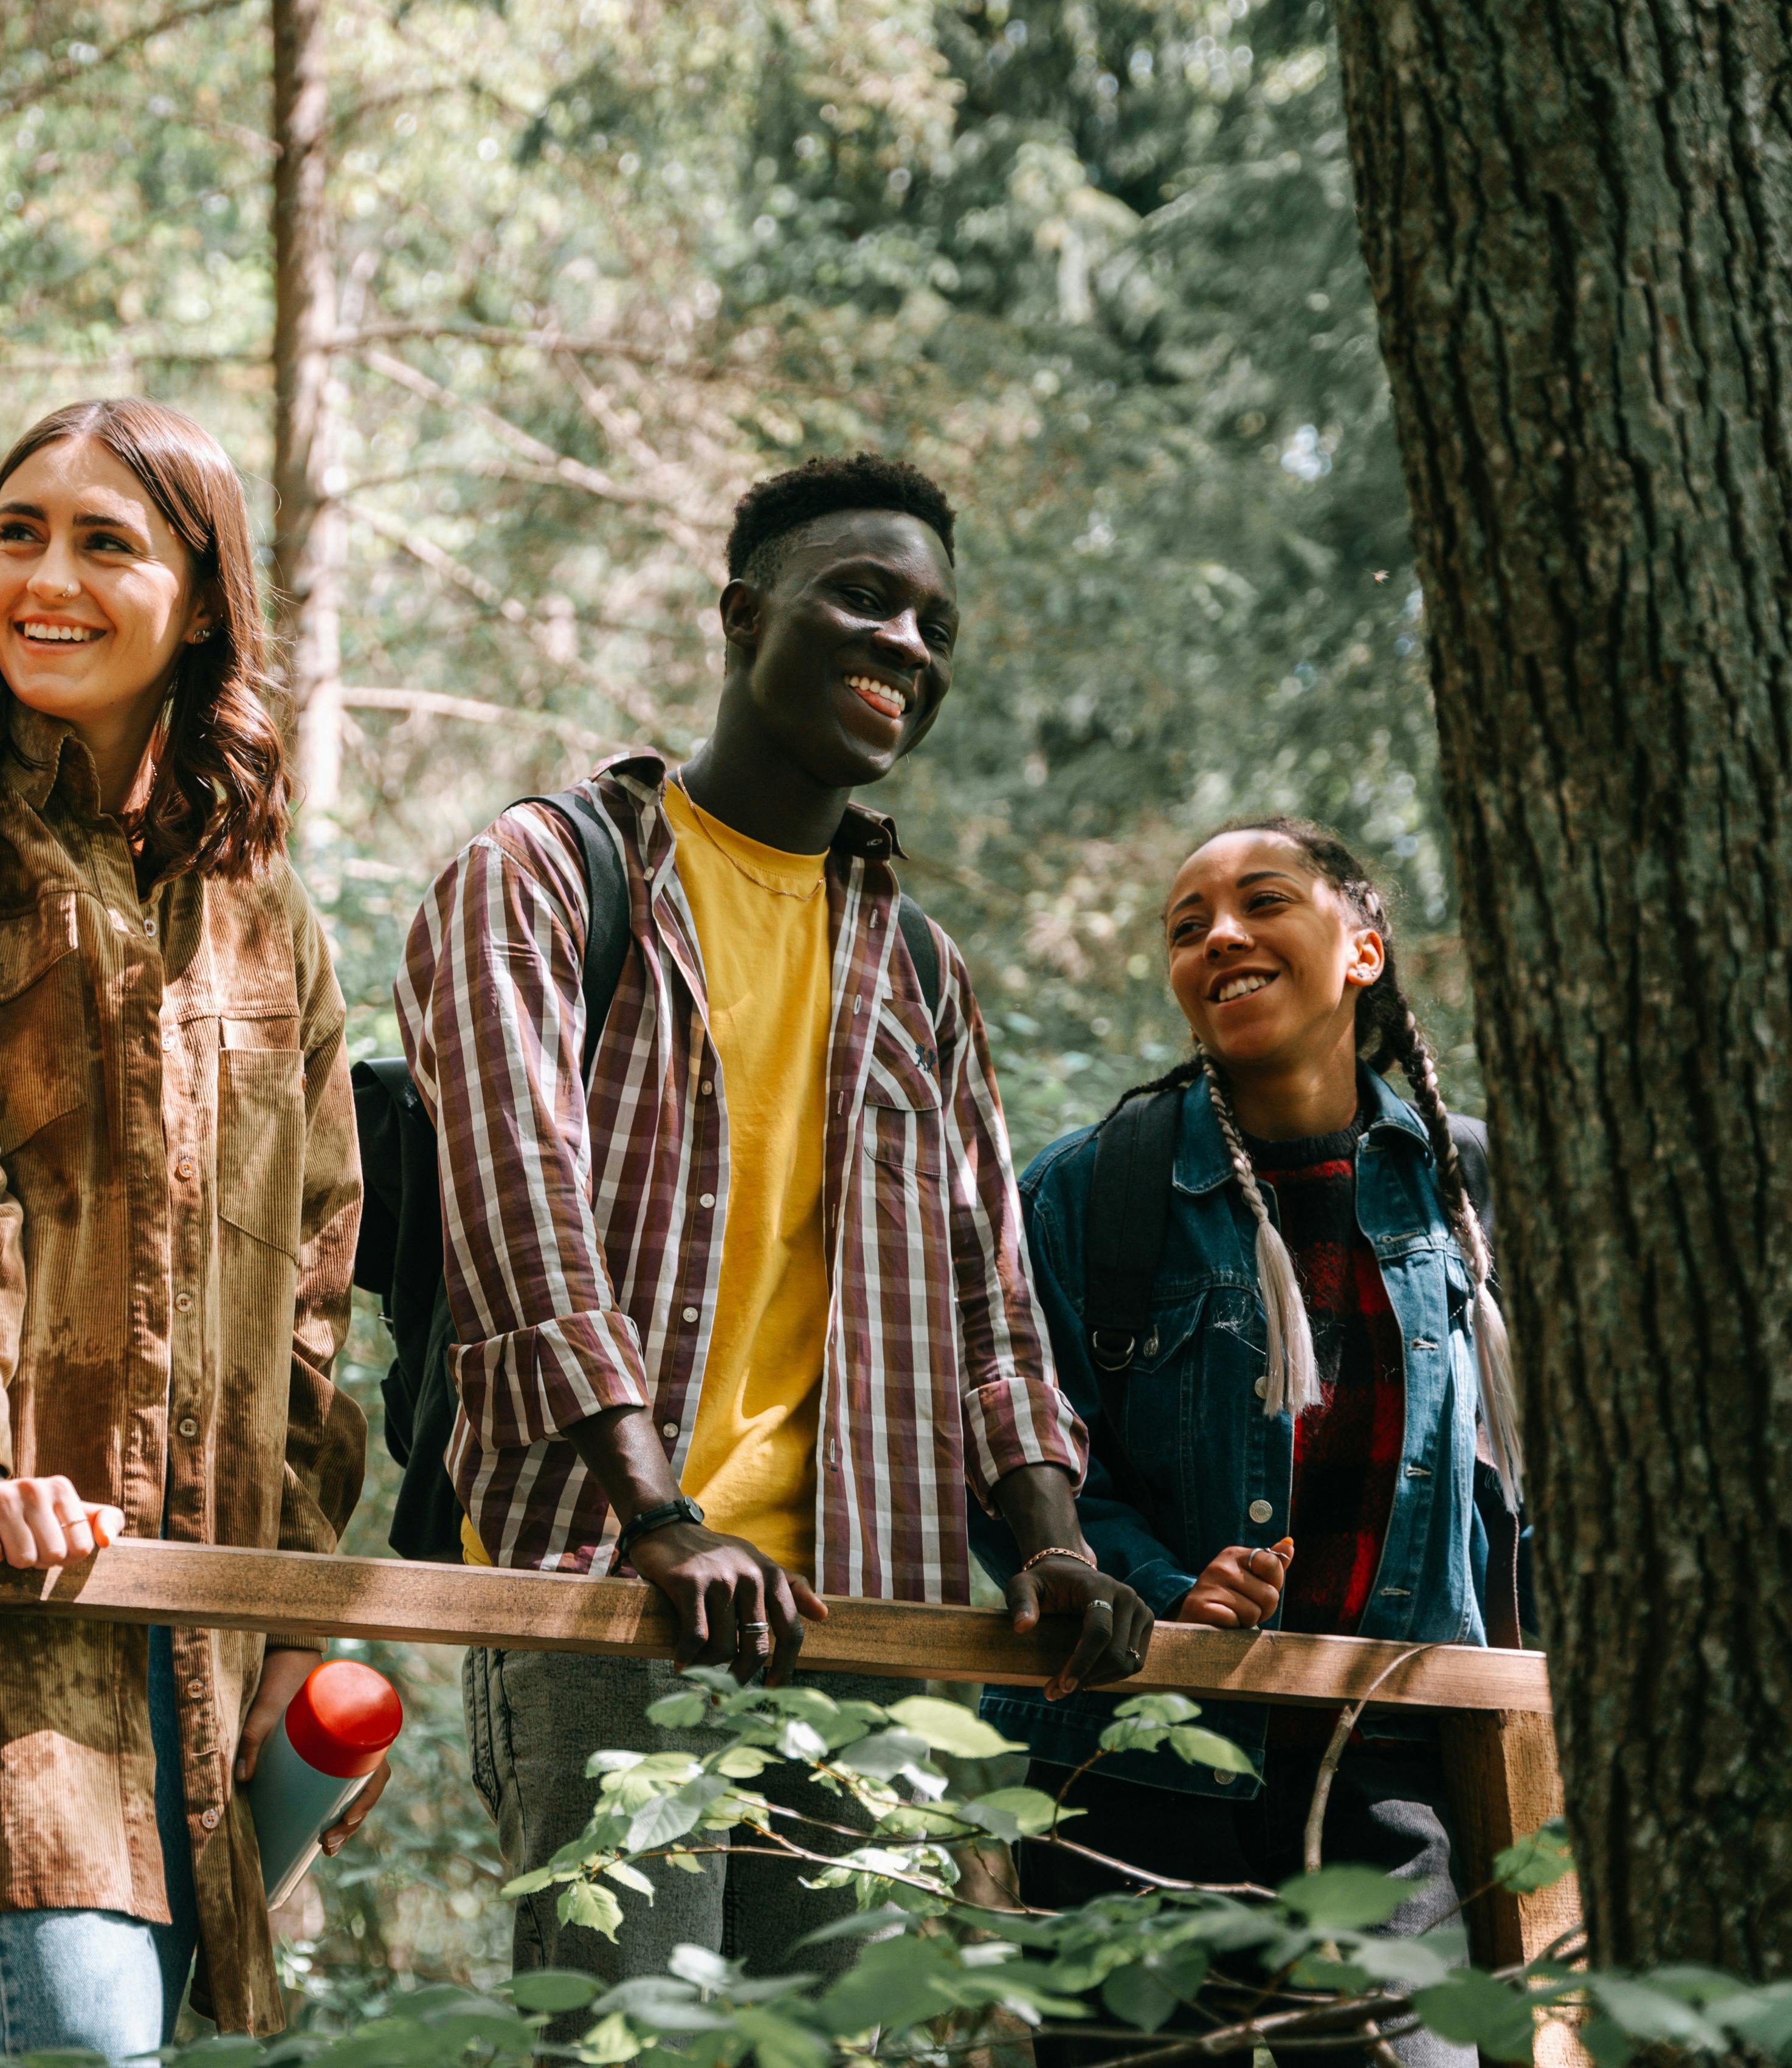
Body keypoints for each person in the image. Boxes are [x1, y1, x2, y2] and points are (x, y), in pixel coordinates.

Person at [397, 452, 1155, 1990]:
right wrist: (657, 1516)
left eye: (936, 625)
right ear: (744, 616)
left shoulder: (917, 962)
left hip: (869, 1619)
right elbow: (520, 1216)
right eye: (863, 598)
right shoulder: (545, 874)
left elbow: (989, 1295)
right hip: (616, 1594)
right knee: (637, 2035)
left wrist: (1055, 1541)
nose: (906, 645)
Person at [0, 398, 374, 2056]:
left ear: (201, 602)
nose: (43, 579)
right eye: (17, 533)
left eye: (106, 543)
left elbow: (315, 1289)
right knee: (83, 2039)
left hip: (208, 1620)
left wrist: (295, 1615)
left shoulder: (267, 907)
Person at [988, 819, 1520, 2068]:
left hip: (1395, 1771)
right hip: (1136, 1767)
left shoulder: (1474, 1192)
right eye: (1188, 927)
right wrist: (1159, 1587)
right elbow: (1012, 1454)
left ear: (1364, 949)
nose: (1220, 936)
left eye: (1262, 901)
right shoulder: (1087, 1190)